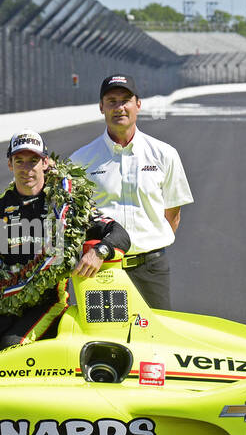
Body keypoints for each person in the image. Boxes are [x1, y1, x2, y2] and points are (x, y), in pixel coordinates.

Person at [0, 131, 129, 360]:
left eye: (33, 161)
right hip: (2, 306)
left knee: (11, 350)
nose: (26, 168)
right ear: (10, 164)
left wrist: (99, 252)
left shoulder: (65, 207)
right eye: (19, 161)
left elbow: (119, 233)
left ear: (45, 162)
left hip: (49, 304)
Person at [68, 74, 193, 310]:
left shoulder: (164, 154)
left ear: (138, 104)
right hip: (102, 270)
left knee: (156, 343)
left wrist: (147, 244)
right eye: (112, 101)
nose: (119, 107)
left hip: (150, 268)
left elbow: (172, 214)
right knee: (106, 344)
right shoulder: (80, 161)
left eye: (125, 100)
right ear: (101, 107)